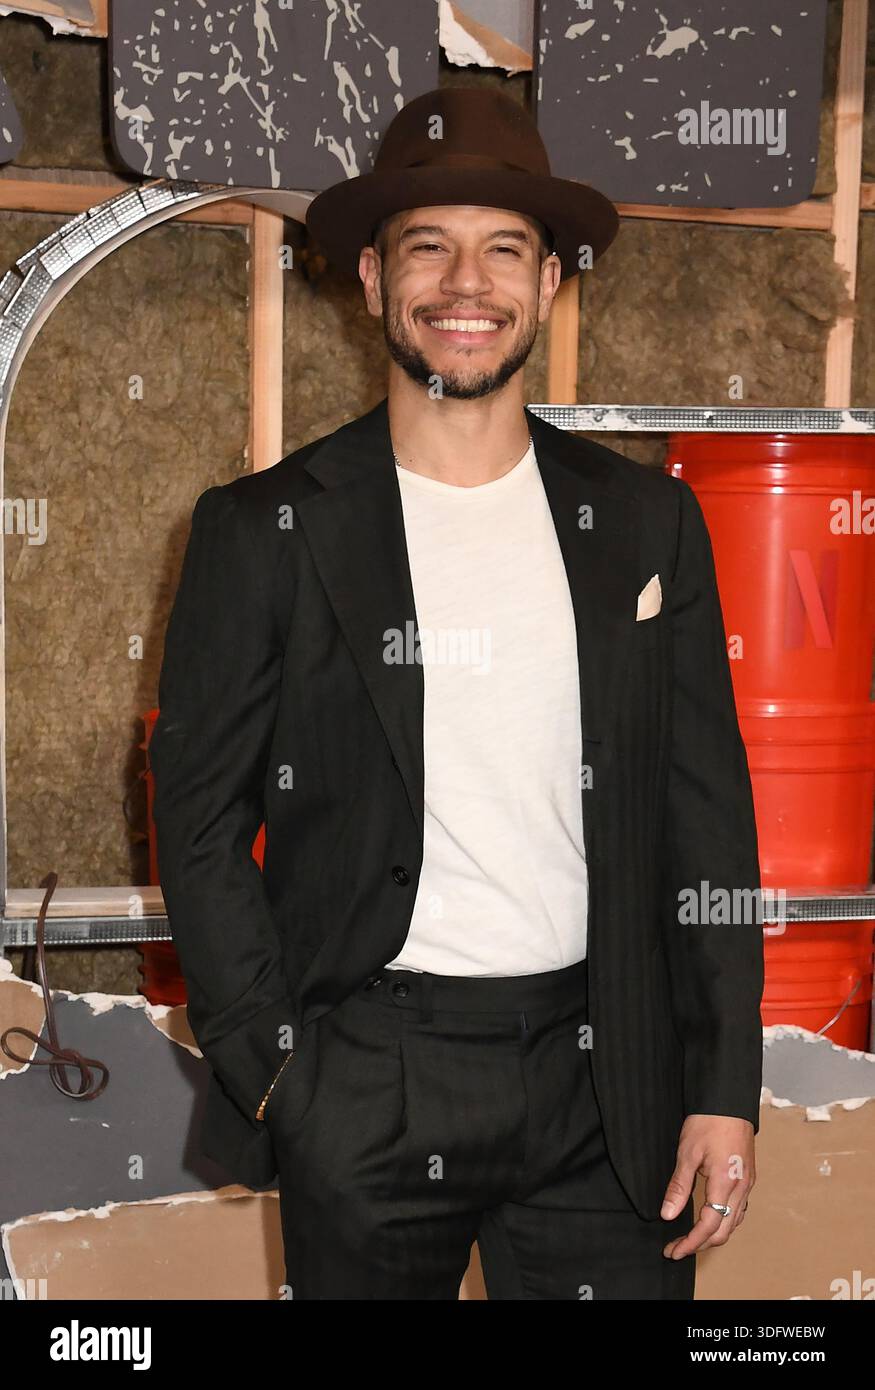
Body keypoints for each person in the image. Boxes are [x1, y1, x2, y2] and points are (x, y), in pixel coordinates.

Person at [149, 86, 764, 1300]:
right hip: (367, 1073)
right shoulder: (261, 530)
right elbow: (198, 813)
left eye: (503, 250)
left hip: (610, 1078)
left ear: (546, 285)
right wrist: (277, 1068)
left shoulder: (645, 523)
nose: (463, 283)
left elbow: (707, 815)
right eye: (426, 247)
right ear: (374, 283)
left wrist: (719, 1084)